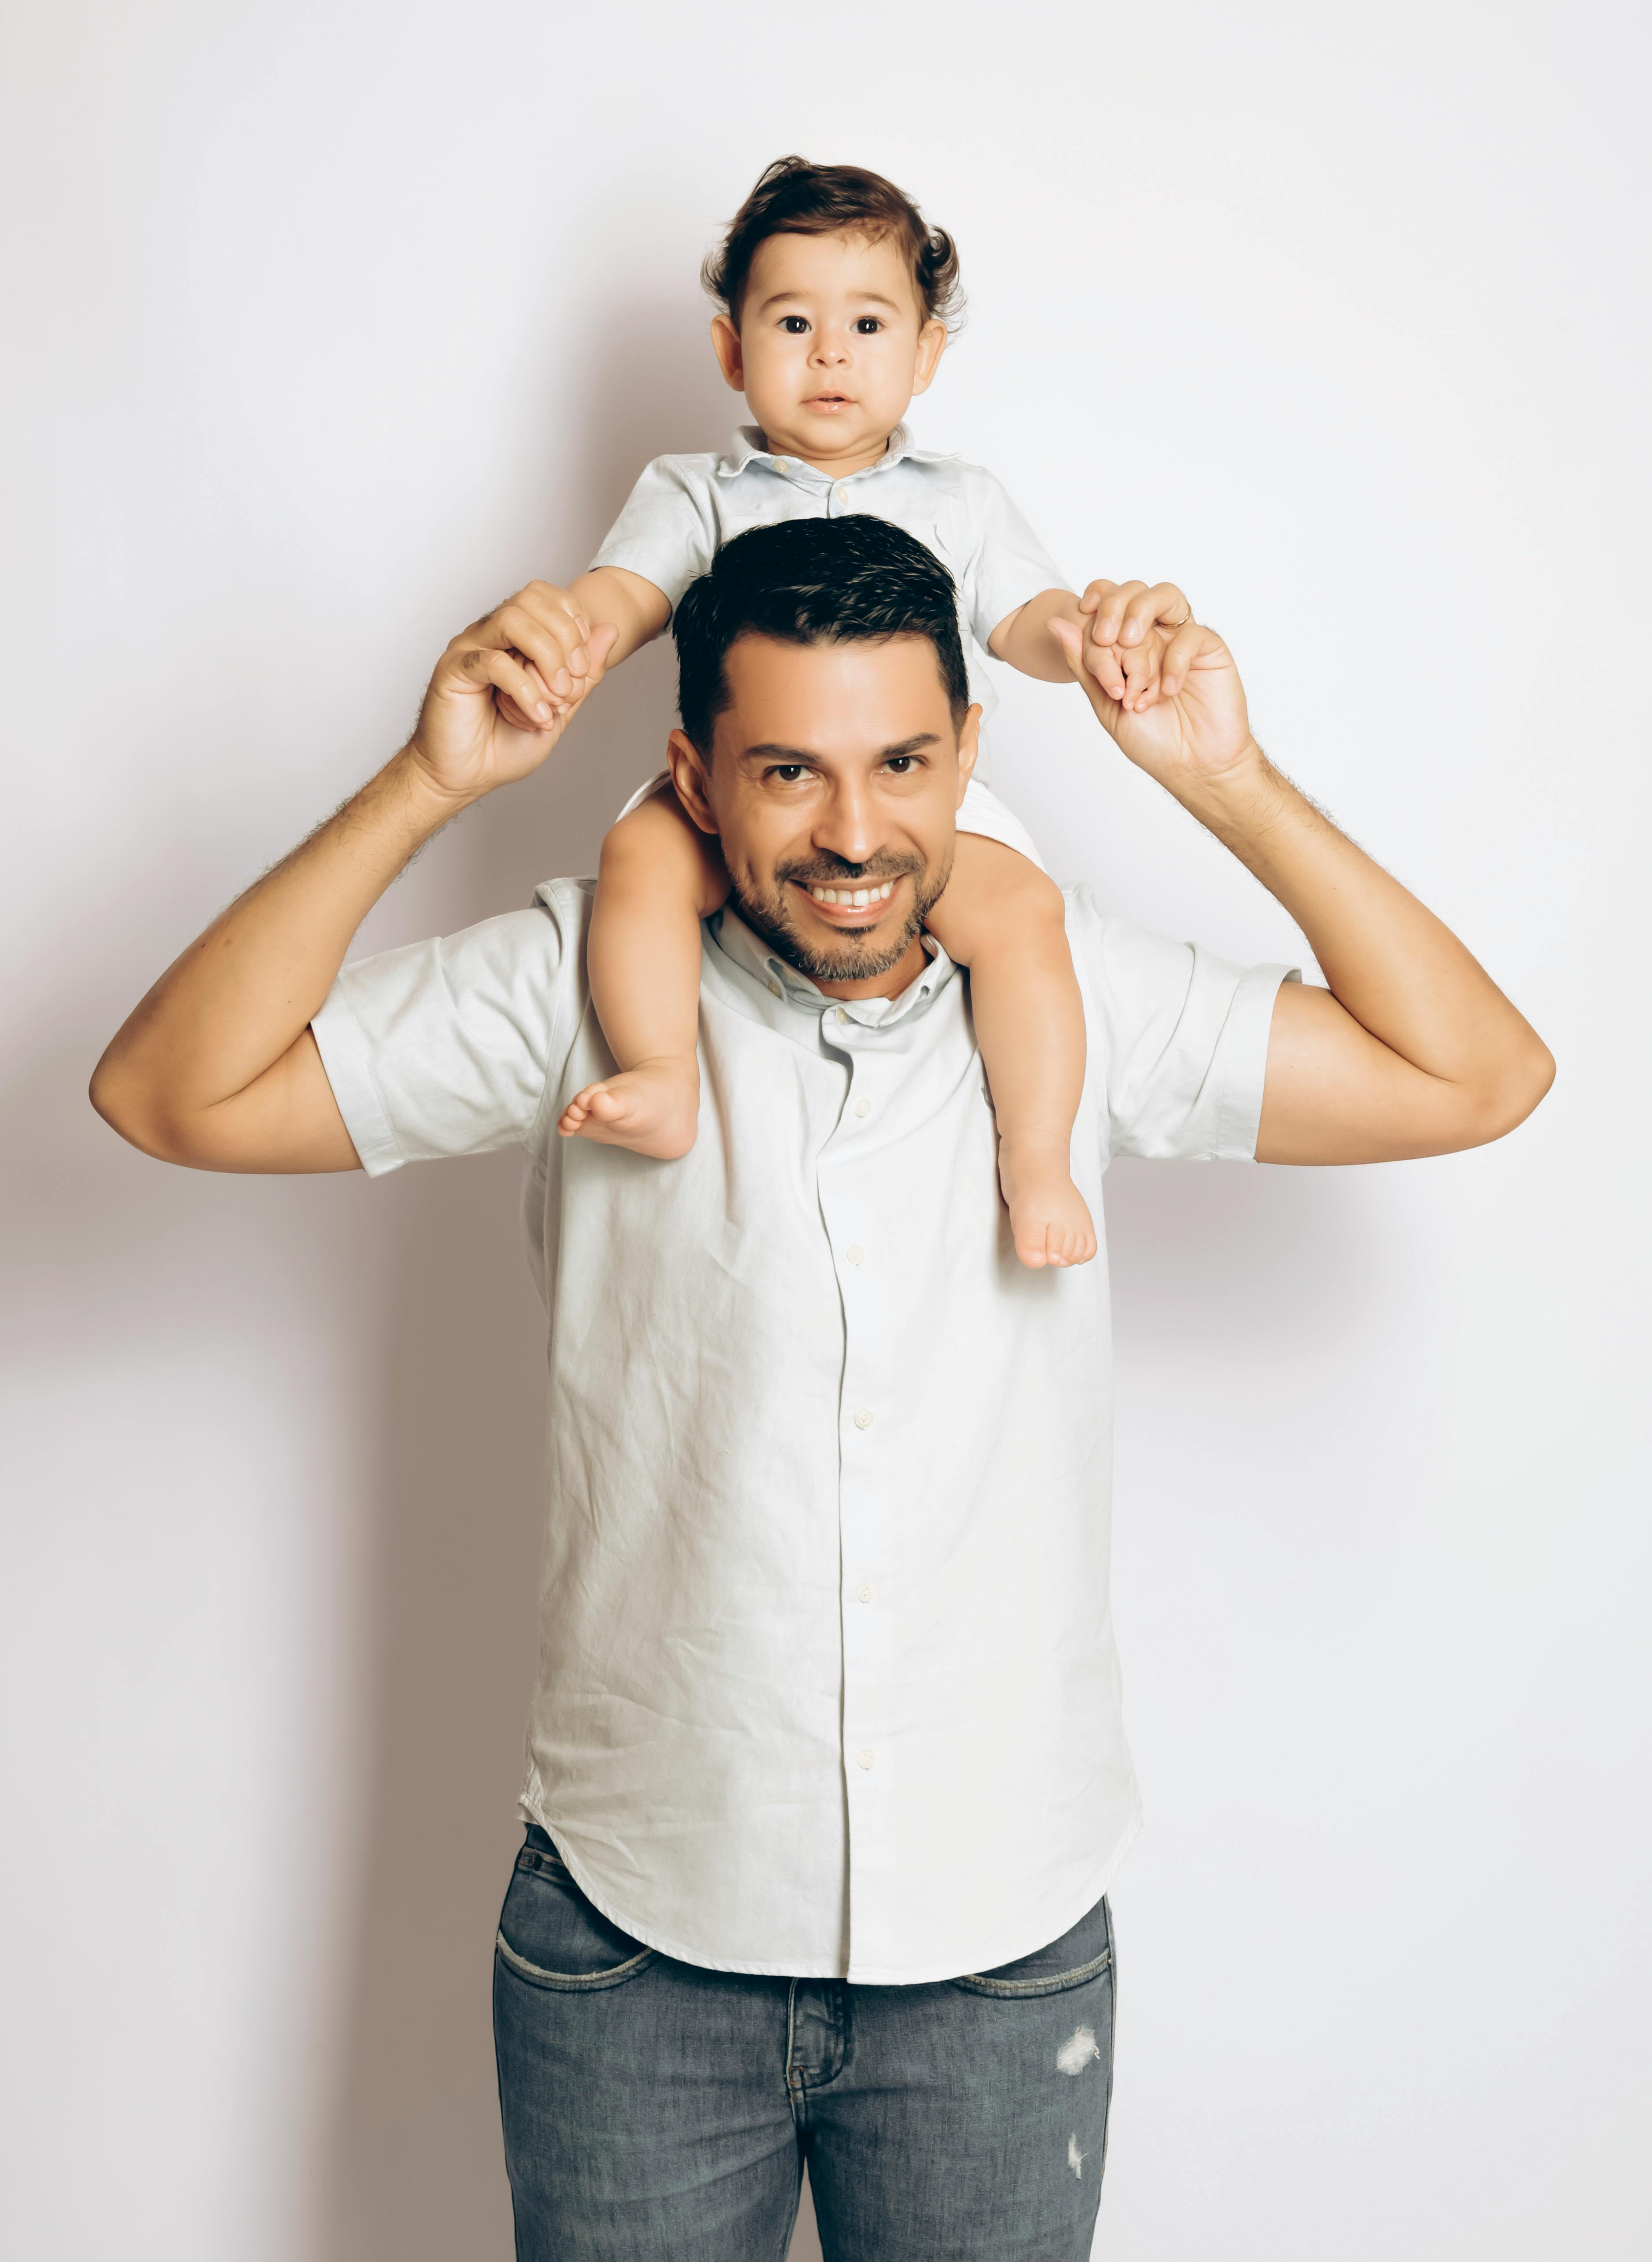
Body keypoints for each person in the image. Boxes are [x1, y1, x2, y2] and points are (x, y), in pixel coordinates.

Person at [89, 515, 1552, 2262]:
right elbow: (169, 1092)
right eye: (788, 770)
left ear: (967, 756)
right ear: (692, 779)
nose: (855, 833)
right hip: (636, 1936)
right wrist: (426, 783)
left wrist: (1224, 782)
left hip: (998, 1949)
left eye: (901, 764)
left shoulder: (1071, 993)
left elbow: (1475, 1072)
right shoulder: (579, 982)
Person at [527, 155, 1180, 1269]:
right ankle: (665, 1074)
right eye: (792, 322)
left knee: (1025, 919)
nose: (831, 353)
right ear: (733, 350)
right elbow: (623, 595)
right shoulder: (698, 495)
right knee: (636, 859)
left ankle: (1036, 1159)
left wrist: (1090, 640)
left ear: (926, 355)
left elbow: (1028, 616)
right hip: (740, 804)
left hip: (901, 802)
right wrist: (562, 636)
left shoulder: (959, 501)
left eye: (870, 324)